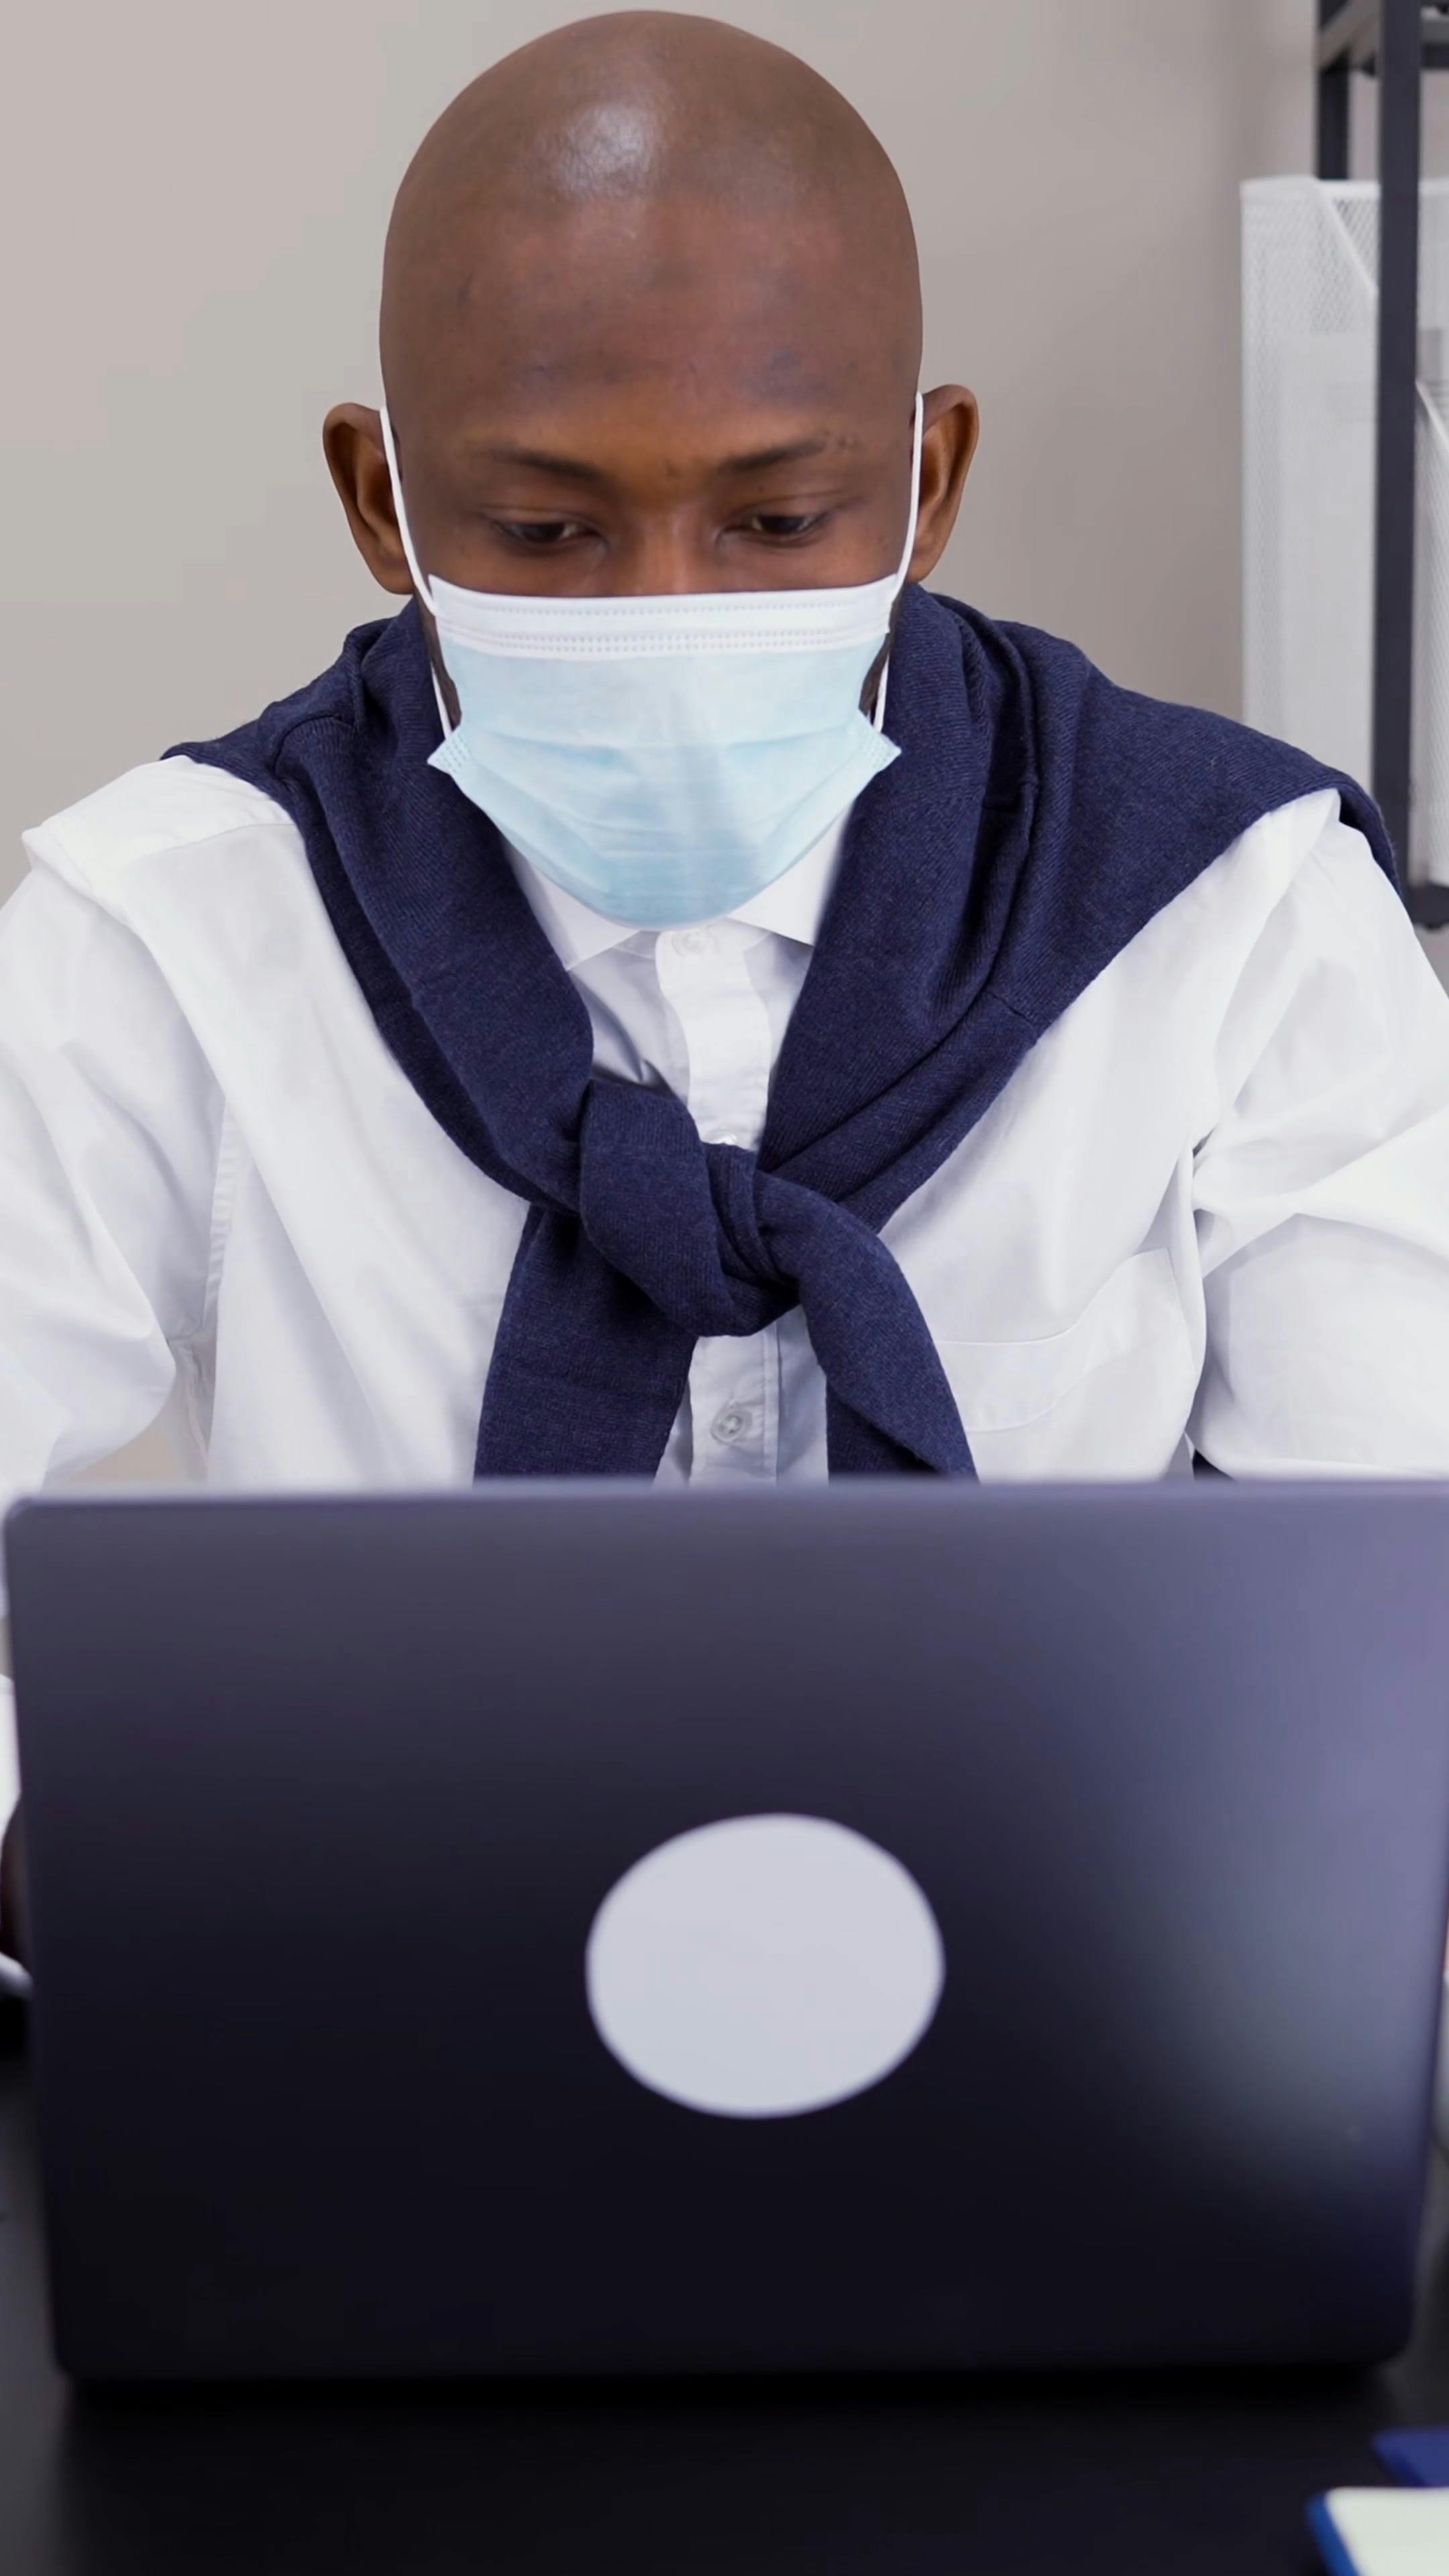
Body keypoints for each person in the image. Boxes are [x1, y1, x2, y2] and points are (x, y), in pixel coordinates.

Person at [4, 9, 1449, 1960]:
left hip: (1088, 2061)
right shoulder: (167, 932)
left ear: (930, 481)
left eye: (777, 522)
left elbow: (1395, 1628)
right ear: (383, 504)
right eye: (545, 531)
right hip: (391, 2050)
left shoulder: (1235, 916)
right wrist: (151, 1893)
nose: (668, 610)